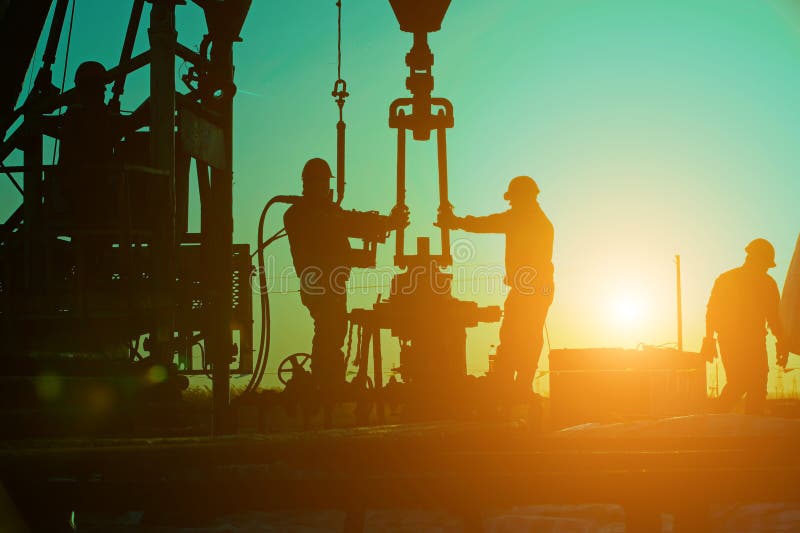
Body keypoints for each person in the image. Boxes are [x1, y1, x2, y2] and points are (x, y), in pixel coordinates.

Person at [284, 158, 408, 412]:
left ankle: (328, 379)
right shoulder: (302, 214)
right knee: (330, 329)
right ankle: (325, 382)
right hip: (320, 285)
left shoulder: (317, 212)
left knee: (332, 330)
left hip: (329, 284)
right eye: (320, 184)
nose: (323, 190)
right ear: (312, 185)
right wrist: (385, 224)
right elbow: (342, 223)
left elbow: (345, 222)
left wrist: (385, 224)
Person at [438, 175, 554, 394]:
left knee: (515, 333)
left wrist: (457, 222)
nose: (511, 204)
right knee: (525, 334)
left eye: (513, 200)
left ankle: (510, 382)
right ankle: (516, 382)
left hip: (530, 289)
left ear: (523, 197)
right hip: (535, 288)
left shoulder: (525, 218)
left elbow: (490, 223)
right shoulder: (536, 219)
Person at [705, 238, 788, 414]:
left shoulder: (766, 284)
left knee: (757, 385)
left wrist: (782, 343)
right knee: (740, 382)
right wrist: (708, 339)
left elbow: (774, 318)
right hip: (732, 340)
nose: (766, 268)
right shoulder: (728, 280)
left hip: (753, 342)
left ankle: (752, 427)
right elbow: (712, 311)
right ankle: (713, 419)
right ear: (754, 259)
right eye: (765, 264)